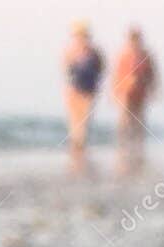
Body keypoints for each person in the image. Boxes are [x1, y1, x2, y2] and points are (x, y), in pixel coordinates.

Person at [111, 26, 157, 174]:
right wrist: (114, 92)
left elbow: (153, 74)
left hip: (140, 93)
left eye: (136, 39)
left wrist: (153, 89)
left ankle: (138, 145)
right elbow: (116, 75)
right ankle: (123, 144)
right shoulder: (123, 55)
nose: (135, 42)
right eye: (132, 39)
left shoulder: (146, 55)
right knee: (124, 120)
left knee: (139, 120)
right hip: (125, 92)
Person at [62, 22, 105, 167]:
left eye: (83, 35)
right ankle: (76, 148)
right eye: (78, 35)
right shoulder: (70, 51)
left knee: (84, 122)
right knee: (74, 122)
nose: (81, 38)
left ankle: (81, 149)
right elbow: (65, 69)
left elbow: (101, 68)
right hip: (74, 90)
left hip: (88, 91)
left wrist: (96, 84)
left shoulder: (94, 52)